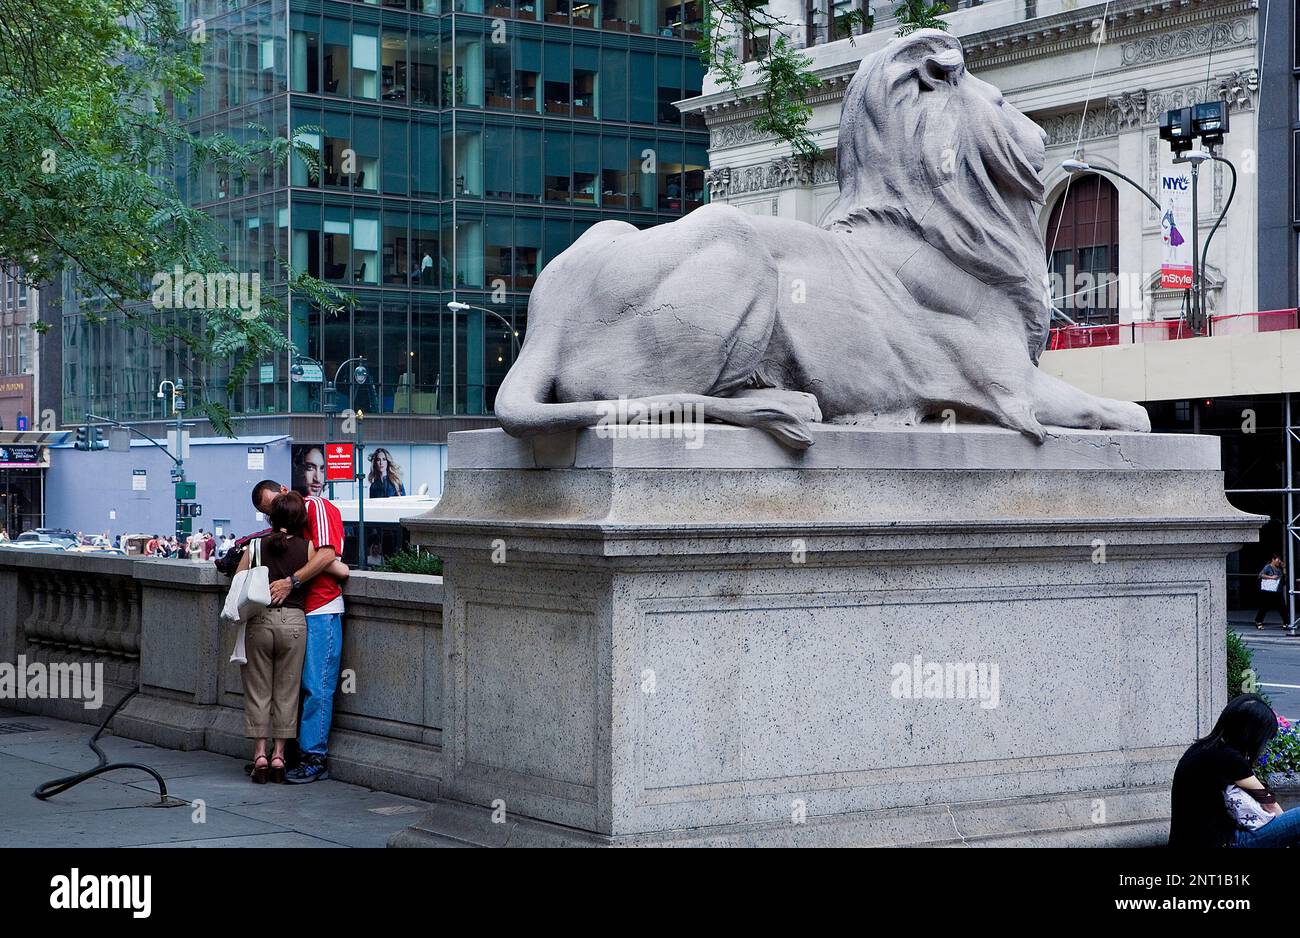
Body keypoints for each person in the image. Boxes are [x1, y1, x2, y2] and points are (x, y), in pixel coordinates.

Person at [252, 478, 349, 783]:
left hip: (321, 607)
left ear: (284, 492)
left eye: (275, 507)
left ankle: (313, 757)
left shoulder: (315, 506)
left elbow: (327, 553)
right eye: (271, 514)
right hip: (300, 610)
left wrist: (291, 580)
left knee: (315, 684)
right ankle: (294, 753)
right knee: (296, 685)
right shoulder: (293, 521)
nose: (276, 518)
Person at [235, 492, 312, 784]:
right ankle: (279, 755)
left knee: (258, 690)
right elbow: (331, 568)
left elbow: (239, 581)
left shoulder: (255, 546)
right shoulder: (308, 549)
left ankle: (260, 756)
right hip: (294, 623)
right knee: (287, 692)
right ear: (300, 520)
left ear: (271, 518)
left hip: (260, 621)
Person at [1169, 694, 1300, 847]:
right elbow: (1268, 802)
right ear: (1251, 734)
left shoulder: (1199, 749)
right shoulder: (1228, 758)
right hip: (1223, 842)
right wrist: (1286, 831)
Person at [1254, 554, 1289, 630]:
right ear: (1273, 559)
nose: (1279, 562)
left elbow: (1284, 578)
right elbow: (1260, 575)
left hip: (1277, 590)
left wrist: (1284, 568)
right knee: (1265, 606)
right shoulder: (1268, 567)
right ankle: (1258, 621)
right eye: (1278, 560)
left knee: (1282, 607)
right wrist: (1271, 577)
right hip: (1269, 590)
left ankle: (1286, 622)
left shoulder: (1279, 569)